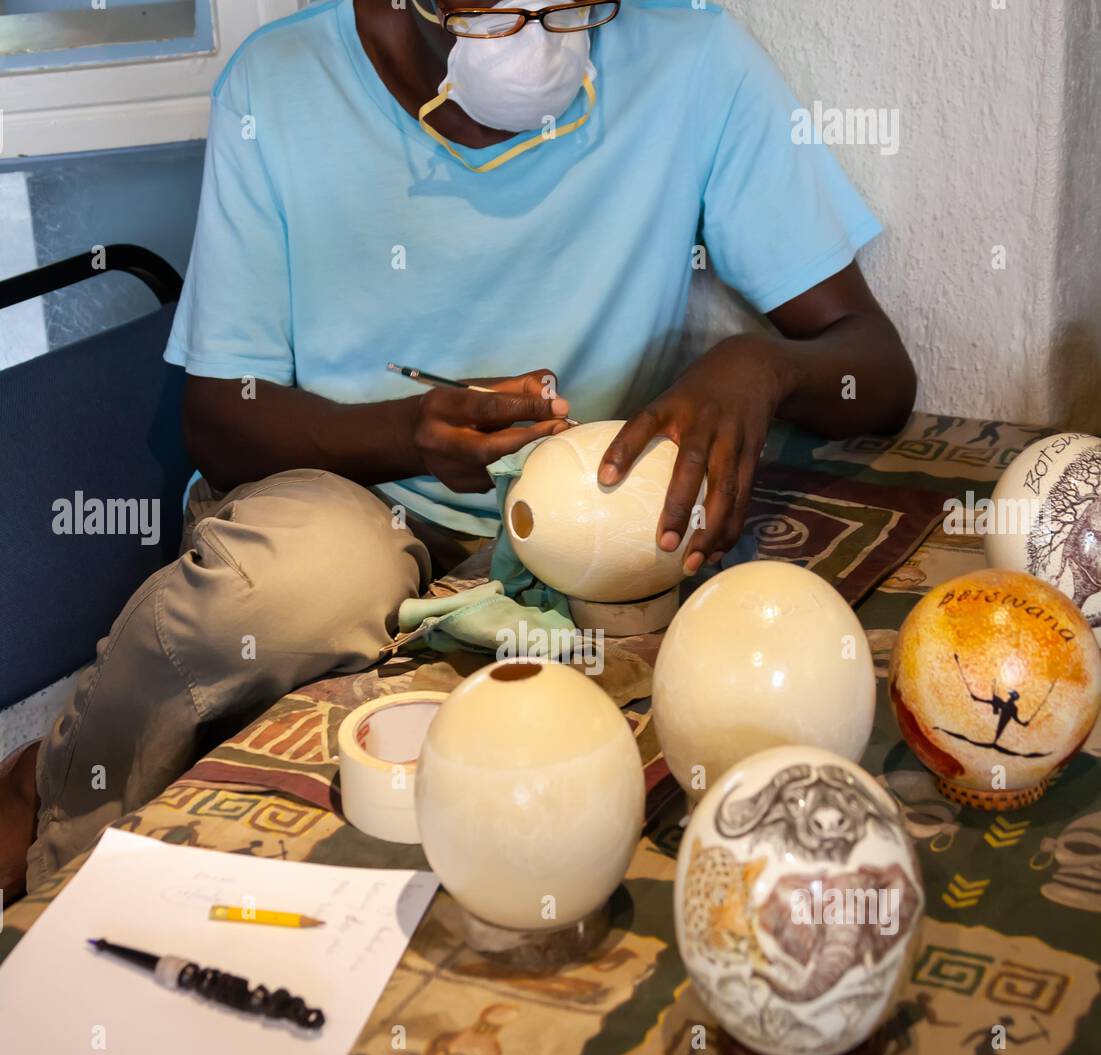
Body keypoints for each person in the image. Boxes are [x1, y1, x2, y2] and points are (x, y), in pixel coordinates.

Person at [1, 0, 916, 898]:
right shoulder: (279, 84)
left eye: (572, 8)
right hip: (347, 485)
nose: (540, 36)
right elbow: (219, 416)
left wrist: (757, 366)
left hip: (576, 522)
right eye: (489, 11)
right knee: (290, 591)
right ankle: (52, 787)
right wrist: (404, 434)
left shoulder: (695, 62)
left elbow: (873, 369)